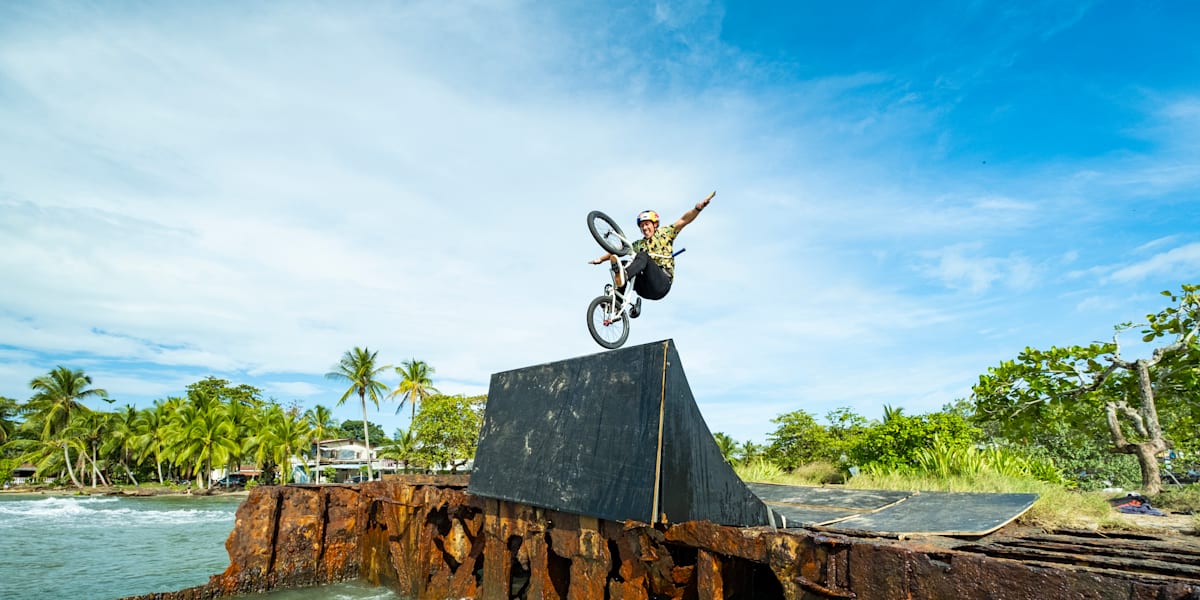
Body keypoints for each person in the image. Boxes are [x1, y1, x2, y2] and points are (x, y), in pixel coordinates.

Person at [589, 191, 715, 315]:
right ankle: (616, 304)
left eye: (647, 224)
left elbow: (683, 220)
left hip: (662, 283)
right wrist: (600, 259)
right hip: (645, 289)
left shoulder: (665, 233)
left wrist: (697, 209)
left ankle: (625, 276)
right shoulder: (639, 244)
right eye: (642, 226)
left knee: (643, 256)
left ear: (655, 225)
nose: (644, 228)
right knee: (623, 263)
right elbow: (619, 250)